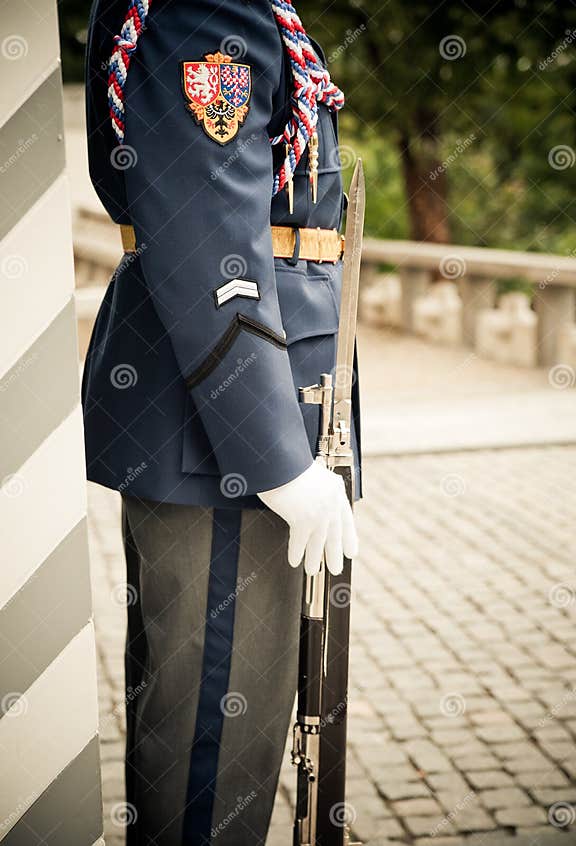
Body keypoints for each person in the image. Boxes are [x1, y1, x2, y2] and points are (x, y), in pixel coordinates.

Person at [82, 0, 362, 842]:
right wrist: (276, 459)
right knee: (213, 744)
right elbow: (211, 237)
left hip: (222, 410)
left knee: (202, 723)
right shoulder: (211, 10)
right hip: (223, 428)